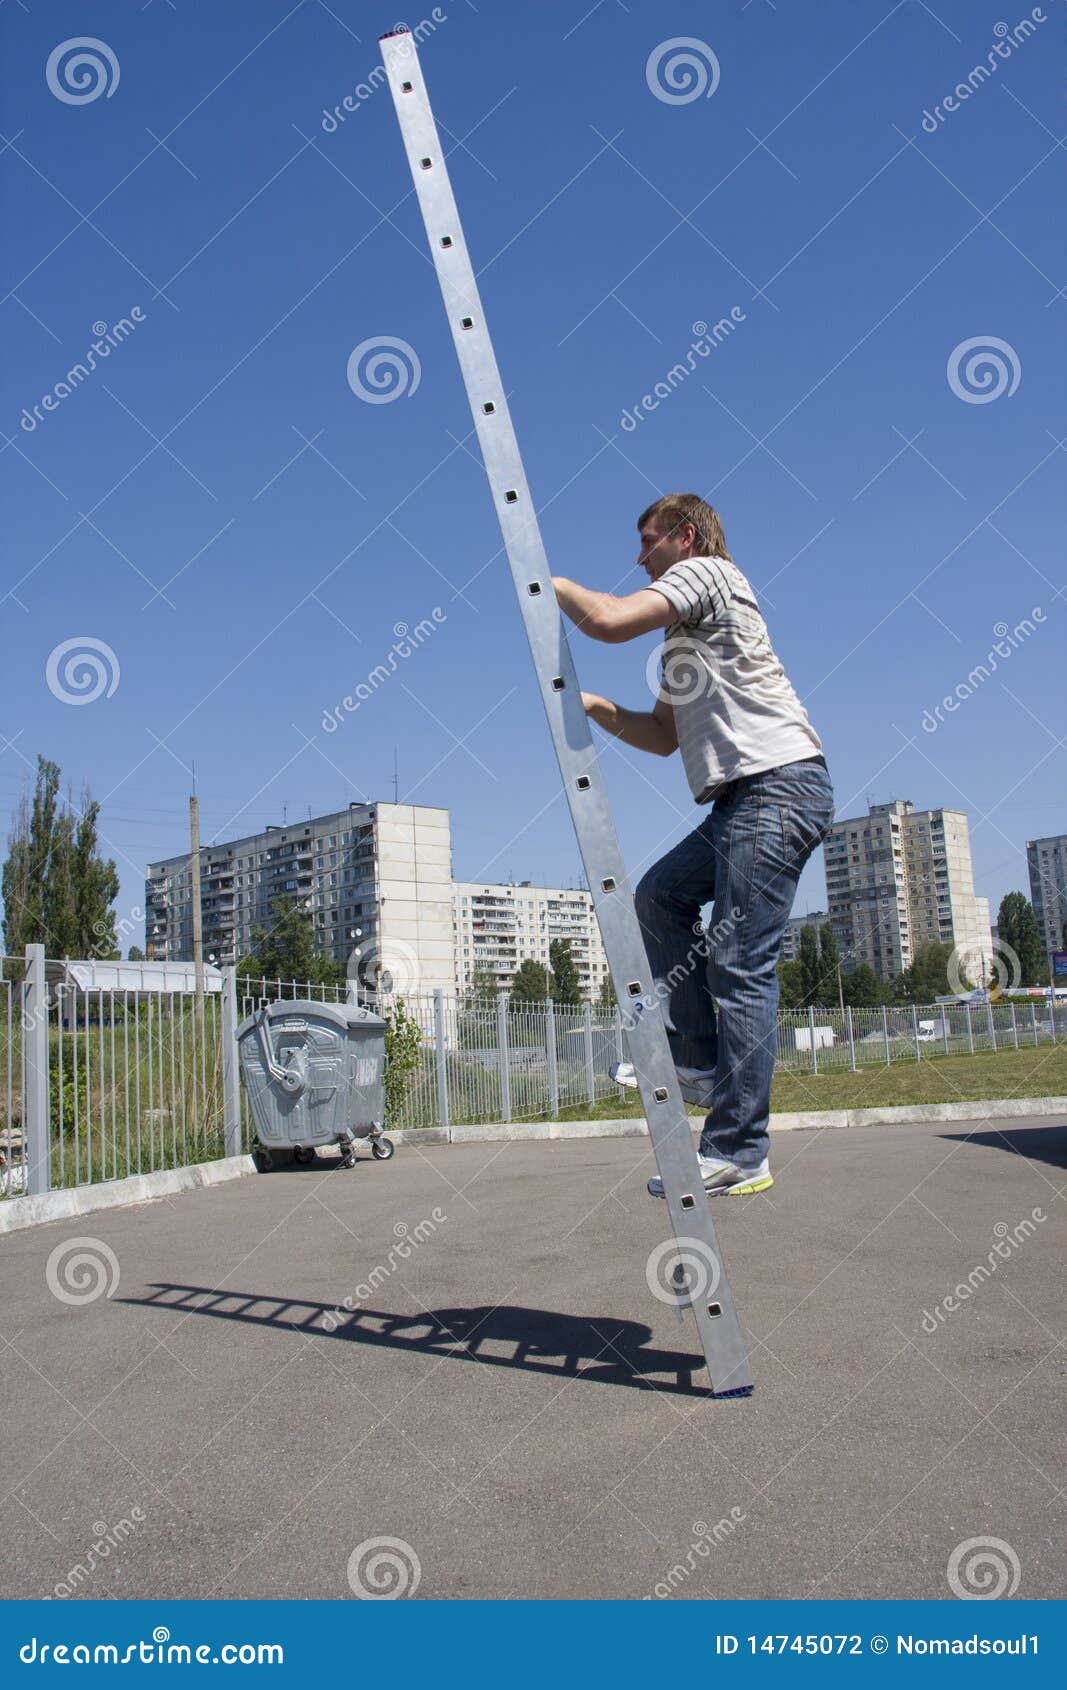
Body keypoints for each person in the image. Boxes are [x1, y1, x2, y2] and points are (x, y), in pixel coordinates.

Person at [552, 493, 834, 1197]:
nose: (639, 558)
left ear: (684, 536)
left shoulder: (710, 574)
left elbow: (608, 620)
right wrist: (591, 707)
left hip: (776, 787)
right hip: (743, 801)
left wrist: (540, 582)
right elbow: (660, 737)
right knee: (658, 896)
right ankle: (703, 1064)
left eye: (647, 542)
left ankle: (740, 1148)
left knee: (739, 963)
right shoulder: (682, 639)